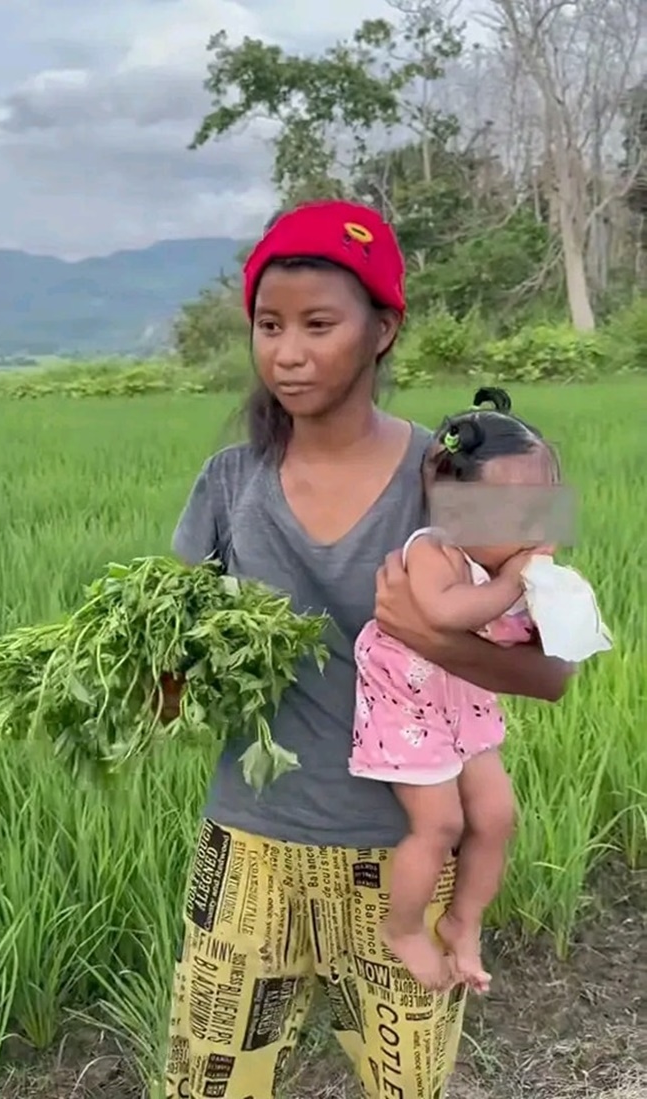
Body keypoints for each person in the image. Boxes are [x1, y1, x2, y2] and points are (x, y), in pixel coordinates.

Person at [165, 199, 573, 1099]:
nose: (289, 352)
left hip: (404, 857)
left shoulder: (455, 474)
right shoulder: (228, 483)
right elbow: (172, 647)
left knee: (406, 1087)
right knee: (206, 1084)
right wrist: (153, 681)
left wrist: (430, 634)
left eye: (319, 324)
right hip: (249, 843)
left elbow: (555, 671)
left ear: (383, 329)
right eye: (269, 326)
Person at [350, 387, 560, 996]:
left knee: (497, 815)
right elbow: (445, 615)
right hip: (407, 702)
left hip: (462, 699)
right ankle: (405, 927)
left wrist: (549, 604)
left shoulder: (508, 564)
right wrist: (514, 583)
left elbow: (529, 641)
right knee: (439, 824)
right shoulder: (432, 551)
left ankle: (464, 917)